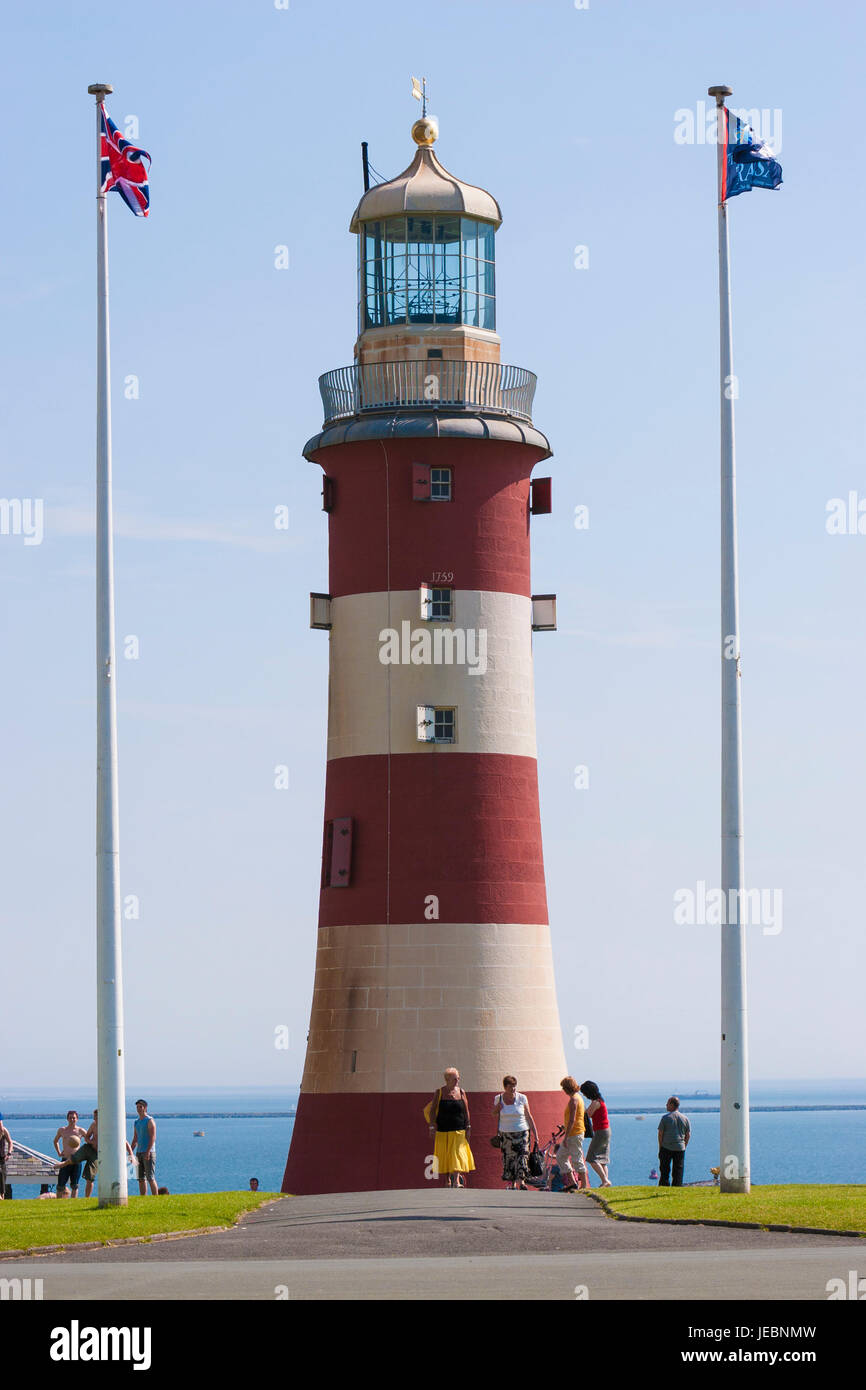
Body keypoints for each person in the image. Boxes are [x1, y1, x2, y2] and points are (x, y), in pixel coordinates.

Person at [426, 1067, 475, 1188]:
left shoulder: (462, 1092)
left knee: (457, 1154)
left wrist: (468, 1125)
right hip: (443, 1129)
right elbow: (432, 1110)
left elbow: (466, 1110)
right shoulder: (440, 1092)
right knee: (445, 1154)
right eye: (455, 1079)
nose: (457, 1080)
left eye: (458, 1078)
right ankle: (447, 1180)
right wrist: (432, 1127)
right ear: (447, 1079)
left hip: (459, 1129)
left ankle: (456, 1181)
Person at [493, 1076, 538, 1189]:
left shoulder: (522, 1098)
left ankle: (521, 1182)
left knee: (523, 1156)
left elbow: (528, 1115)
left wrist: (535, 1134)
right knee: (509, 1158)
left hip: (522, 1131)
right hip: (506, 1133)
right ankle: (512, 1183)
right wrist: (497, 1108)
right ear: (505, 1087)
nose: (513, 1089)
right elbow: (493, 1114)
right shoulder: (498, 1098)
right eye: (510, 1086)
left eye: (514, 1086)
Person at [557, 1077, 588, 1191]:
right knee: (561, 1156)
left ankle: (583, 1185)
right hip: (573, 1132)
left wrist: (566, 1136)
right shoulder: (577, 1098)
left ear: (567, 1088)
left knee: (577, 1158)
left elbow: (572, 1120)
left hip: (574, 1133)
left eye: (563, 1087)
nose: (563, 1090)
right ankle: (573, 1182)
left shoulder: (574, 1100)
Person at [580, 1081, 612, 1188]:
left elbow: (588, 1114)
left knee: (591, 1158)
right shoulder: (600, 1101)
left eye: (584, 1093)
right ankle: (605, 1182)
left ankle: (605, 1180)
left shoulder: (595, 1102)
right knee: (602, 1159)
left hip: (600, 1132)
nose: (584, 1095)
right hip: (606, 1130)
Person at [657, 1096, 690, 1187]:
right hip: (680, 1147)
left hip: (666, 1147)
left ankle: (664, 1186)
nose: (666, 1105)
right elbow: (688, 1135)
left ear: (672, 1105)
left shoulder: (665, 1118)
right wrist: (684, 1145)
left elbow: (660, 1134)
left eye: (668, 1103)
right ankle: (677, 1186)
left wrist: (660, 1147)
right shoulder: (685, 1118)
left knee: (664, 1170)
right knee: (678, 1170)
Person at [53, 1110, 87, 1198]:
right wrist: (59, 1152)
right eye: (70, 1118)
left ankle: (73, 1202)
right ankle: (58, 1203)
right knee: (60, 1185)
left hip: (76, 1160)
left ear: (77, 1119)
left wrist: (84, 1153)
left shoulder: (80, 1130)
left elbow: (89, 1141)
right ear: (67, 1119)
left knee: (75, 1185)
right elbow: (55, 1141)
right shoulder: (62, 1130)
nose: (72, 1120)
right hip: (65, 1159)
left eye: (74, 1118)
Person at [130, 1099, 158, 1195]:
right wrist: (130, 1152)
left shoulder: (149, 1120)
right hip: (139, 1152)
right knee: (140, 1178)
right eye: (137, 1107)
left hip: (148, 1152)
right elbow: (135, 1139)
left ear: (145, 1108)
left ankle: (156, 1198)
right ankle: (143, 1197)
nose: (138, 1109)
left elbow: (153, 1137)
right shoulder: (136, 1122)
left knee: (150, 1177)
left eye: (140, 1107)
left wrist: (148, 1151)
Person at [70, 1109, 100, 1199]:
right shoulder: (93, 1125)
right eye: (94, 1116)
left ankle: (88, 1197)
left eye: (96, 1116)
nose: (94, 1118)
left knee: (91, 1178)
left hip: (100, 1154)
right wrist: (91, 1142)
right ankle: (87, 1198)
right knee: (88, 1177)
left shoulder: (107, 1125)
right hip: (91, 1150)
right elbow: (87, 1137)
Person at [0, 1114, 12, 1200]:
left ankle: (2, 1199)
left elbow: (10, 1142)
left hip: (1, 1159)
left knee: (2, 1184)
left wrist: (9, 1153)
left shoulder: (4, 1131)